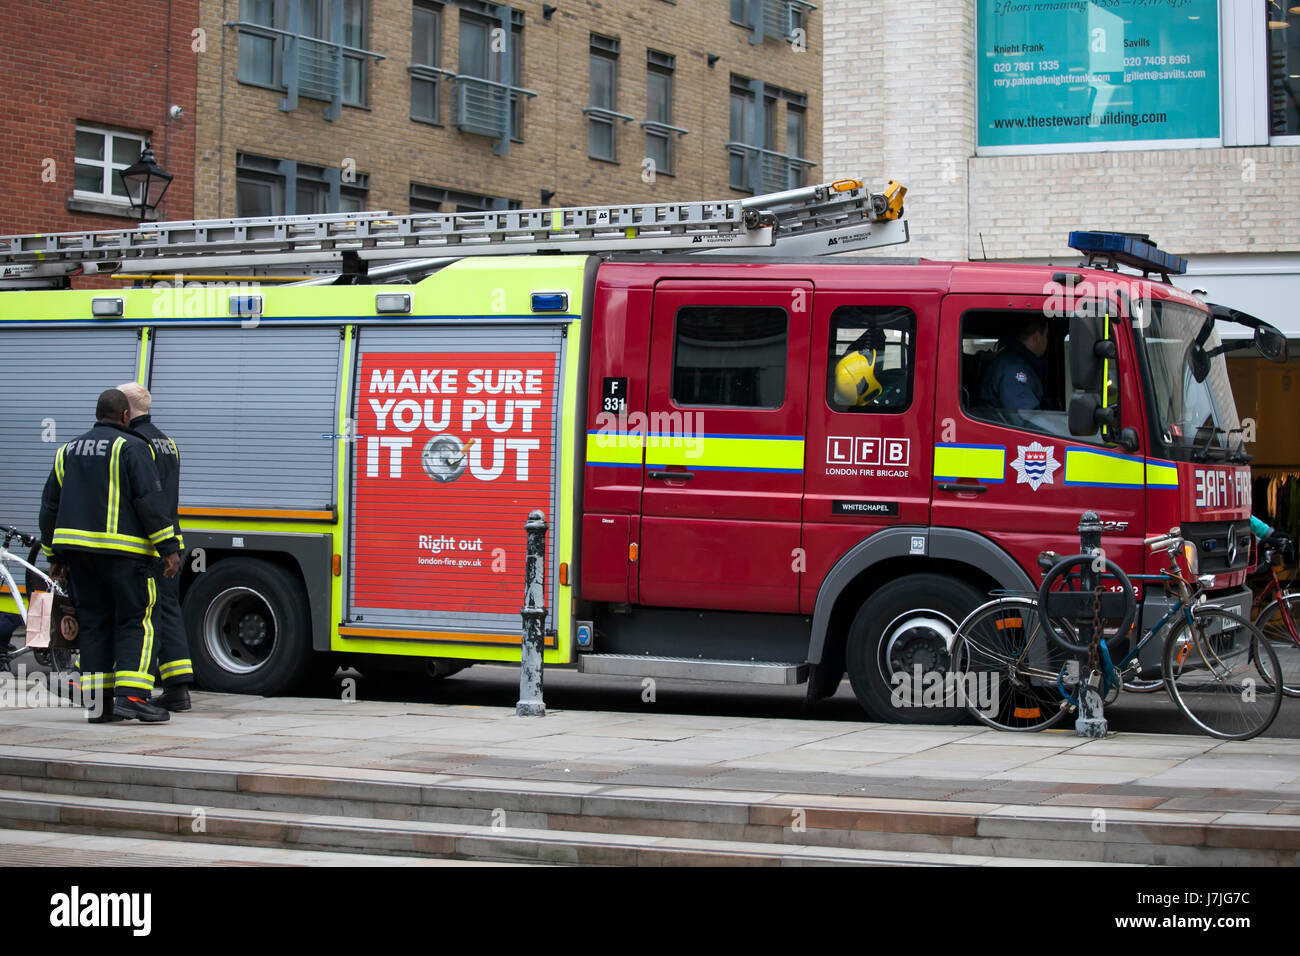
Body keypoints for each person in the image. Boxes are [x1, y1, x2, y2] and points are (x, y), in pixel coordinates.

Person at [38, 388, 181, 723]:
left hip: (78, 558)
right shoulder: (132, 448)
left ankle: (100, 706)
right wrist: (169, 549)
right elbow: (149, 500)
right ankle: (131, 697)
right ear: (124, 416)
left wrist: (53, 556)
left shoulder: (67, 450)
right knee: (138, 619)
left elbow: (49, 508)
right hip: (125, 555)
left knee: (94, 623)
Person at [119, 382, 192, 712]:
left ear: (125, 409)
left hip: (148, 544)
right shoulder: (168, 441)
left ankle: (135, 690)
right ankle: (178, 688)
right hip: (171, 539)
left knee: (140, 617)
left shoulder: (134, 444)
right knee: (167, 611)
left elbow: (145, 499)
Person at [979, 316, 1048, 415]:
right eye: (1046, 336)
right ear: (1036, 337)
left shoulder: (1019, 362)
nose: (1047, 342)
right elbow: (1025, 419)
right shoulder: (1014, 369)